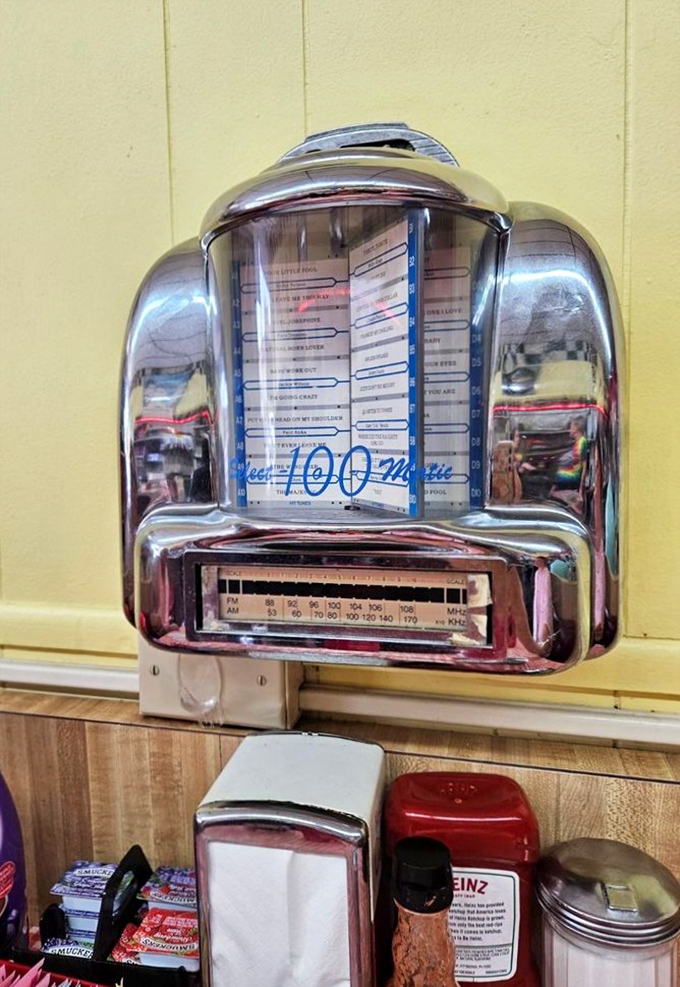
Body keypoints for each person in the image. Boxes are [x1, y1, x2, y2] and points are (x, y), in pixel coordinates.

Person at [550, 417, 588, 508]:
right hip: (570, 471)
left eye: (571, 427)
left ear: (576, 428)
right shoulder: (577, 442)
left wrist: (581, 488)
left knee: (553, 475)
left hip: (574, 475)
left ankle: (552, 494)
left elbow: (584, 465)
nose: (569, 430)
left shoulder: (582, 442)